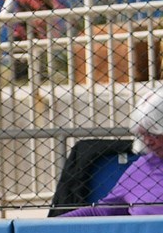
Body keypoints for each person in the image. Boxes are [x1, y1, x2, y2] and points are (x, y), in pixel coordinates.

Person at [62, 87, 163, 217]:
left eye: (153, 134)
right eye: (143, 135)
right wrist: (49, 225)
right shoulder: (142, 169)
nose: (148, 141)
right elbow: (102, 211)